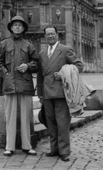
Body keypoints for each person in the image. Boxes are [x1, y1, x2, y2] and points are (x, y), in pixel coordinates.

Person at [36, 26, 84, 162]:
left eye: (52, 34)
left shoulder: (65, 50)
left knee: (62, 123)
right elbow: (40, 76)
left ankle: (64, 151)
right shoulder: (42, 54)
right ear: (45, 37)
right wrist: (40, 94)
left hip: (62, 93)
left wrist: (64, 73)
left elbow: (79, 66)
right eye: (47, 34)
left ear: (57, 35)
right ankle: (54, 149)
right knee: (50, 123)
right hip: (47, 94)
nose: (50, 36)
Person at [0, 16, 39, 156]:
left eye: (20, 25)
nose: (18, 27)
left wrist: (28, 65)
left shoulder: (28, 45)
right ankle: (9, 146)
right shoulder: (4, 44)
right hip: (10, 83)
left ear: (24, 28)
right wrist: (5, 72)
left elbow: (36, 63)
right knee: (10, 115)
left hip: (25, 83)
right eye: (15, 25)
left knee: (25, 116)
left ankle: (27, 145)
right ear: (11, 28)